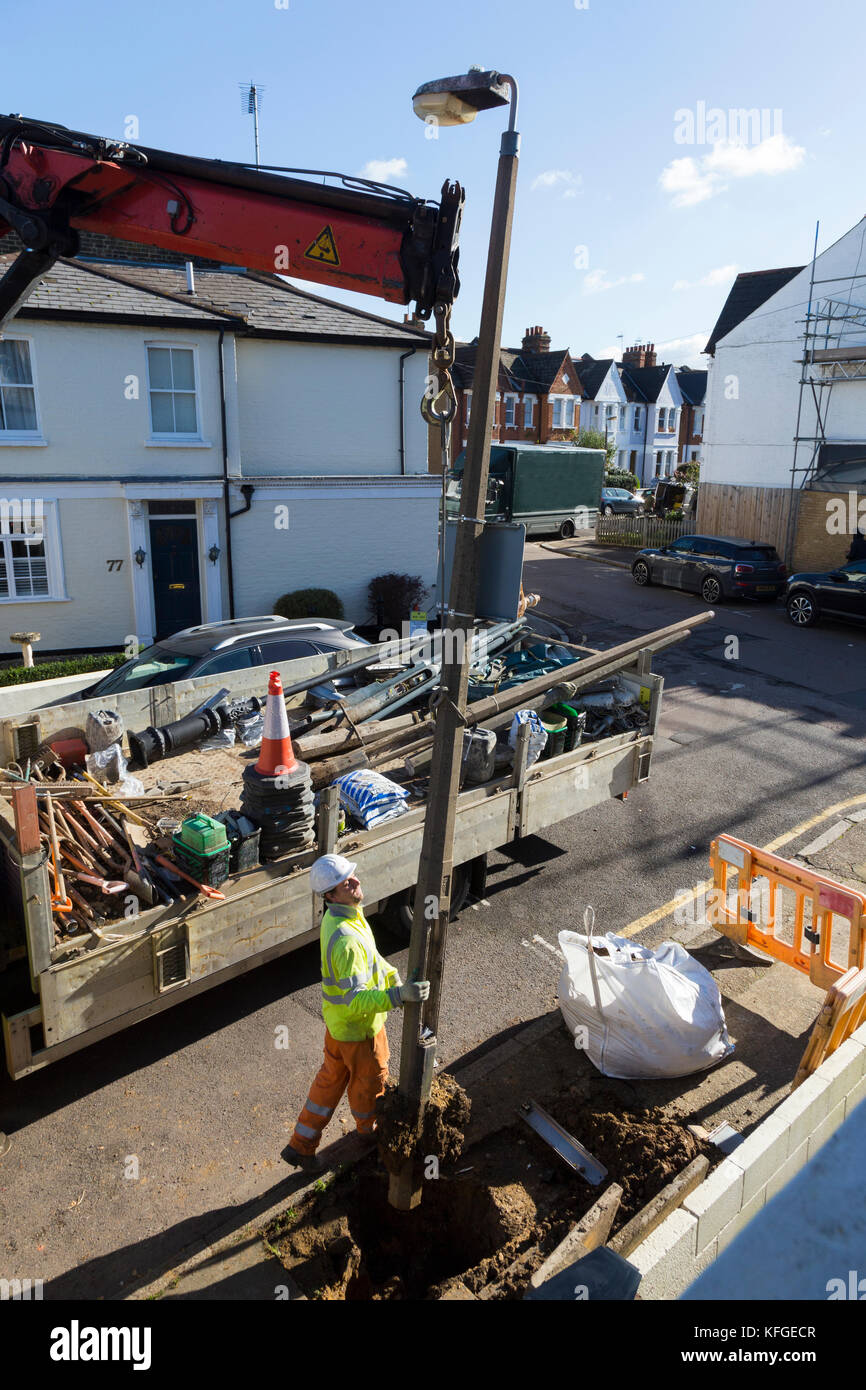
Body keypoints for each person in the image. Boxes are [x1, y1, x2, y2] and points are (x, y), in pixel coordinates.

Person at [282, 854, 429, 1170]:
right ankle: (369, 1134)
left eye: (353, 875)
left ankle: (300, 1145)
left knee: (330, 1081)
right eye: (346, 882)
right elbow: (358, 999)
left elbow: (374, 959)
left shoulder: (345, 918)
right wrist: (398, 996)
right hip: (361, 1030)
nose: (356, 881)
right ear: (331, 895)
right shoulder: (346, 939)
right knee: (371, 1085)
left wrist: (393, 977)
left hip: (339, 1028)